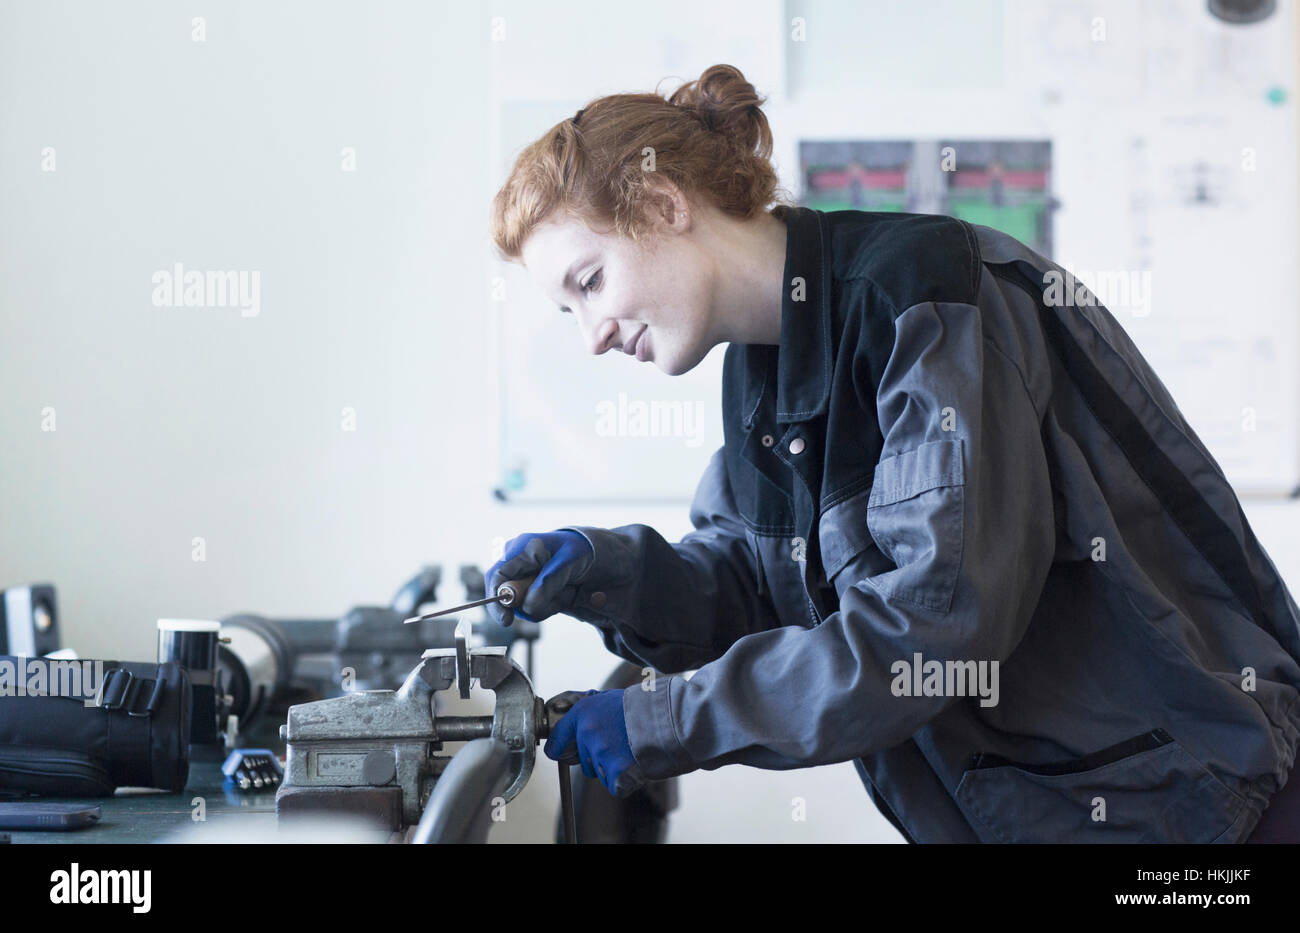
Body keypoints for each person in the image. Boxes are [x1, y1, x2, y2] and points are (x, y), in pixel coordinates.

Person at [485, 63, 1300, 843]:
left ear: (664, 203)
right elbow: (758, 588)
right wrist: (611, 576)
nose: (591, 338)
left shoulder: (924, 296)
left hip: (1204, 809)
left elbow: (933, 625)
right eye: (567, 312)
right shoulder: (758, 368)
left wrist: (661, 720)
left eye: (589, 282)